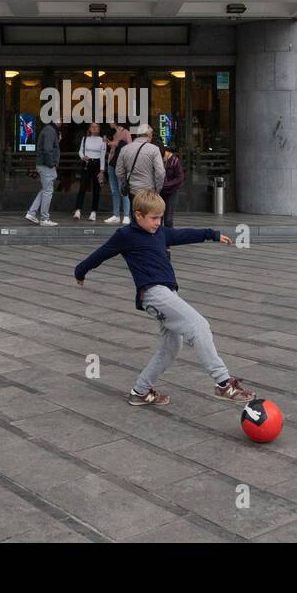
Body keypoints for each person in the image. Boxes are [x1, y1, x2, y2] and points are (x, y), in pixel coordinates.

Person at [74, 190, 256, 407]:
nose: (158, 222)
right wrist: (80, 271)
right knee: (198, 326)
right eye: (153, 218)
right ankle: (224, 383)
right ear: (138, 215)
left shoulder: (159, 232)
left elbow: (184, 235)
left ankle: (140, 391)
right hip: (153, 293)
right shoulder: (125, 236)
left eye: (160, 217)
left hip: (167, 294)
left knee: (172, 346)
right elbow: (100, 254)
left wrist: (212, 234)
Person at [24, 118, 62, 227]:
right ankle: (45, 218)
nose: (62, 122)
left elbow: (49, 147)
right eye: (61, 119)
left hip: (44, 165)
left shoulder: (49, 130)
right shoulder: (50, 130)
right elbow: (47, 149)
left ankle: (31, 213)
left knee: (45, 190)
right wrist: (52, 164)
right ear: (56, 120)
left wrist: (57, 141)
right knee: (48, 191)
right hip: (46, 165)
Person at [116, 123, 165, 203]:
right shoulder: (154, 149)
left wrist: (126, 181)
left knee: (135, 214)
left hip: (132, 191)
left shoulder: (124, 149)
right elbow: (160, 172)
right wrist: (157, 190)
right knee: (148, 214)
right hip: (149, 191)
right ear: (149, 135)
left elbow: (119, 172)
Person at [73, 123, 106, 221]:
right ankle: (78, 210)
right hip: (87, 163)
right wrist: (83, 157)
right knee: (82, 187)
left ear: (99, 129)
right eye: (92, 126)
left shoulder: (102, 140)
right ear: (89, 129)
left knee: (96, 189)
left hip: (97, 164)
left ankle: (93, 212)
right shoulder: (85, 138)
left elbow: (103, 155)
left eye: (96, 127)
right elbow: (80, 151)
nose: (94, 128)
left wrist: (102, 171)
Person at [103, 122, 132, 224]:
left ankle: (126, 215)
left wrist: (113, 143)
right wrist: (110, 143)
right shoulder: (115, 133)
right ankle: (116, 215)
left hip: (121, 165)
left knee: (122, 189)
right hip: (111, 163)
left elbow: (130, 147)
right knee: (114, 190)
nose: (109, 122)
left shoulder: (125, 132)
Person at [160, 146, 185, 228]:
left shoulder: (174, 160)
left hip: (171, 190)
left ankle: (170, 236)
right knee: (158, 217)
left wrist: (169, 184)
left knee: (168, 219)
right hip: (159, 190)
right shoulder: (155, 158)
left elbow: (180, 177)